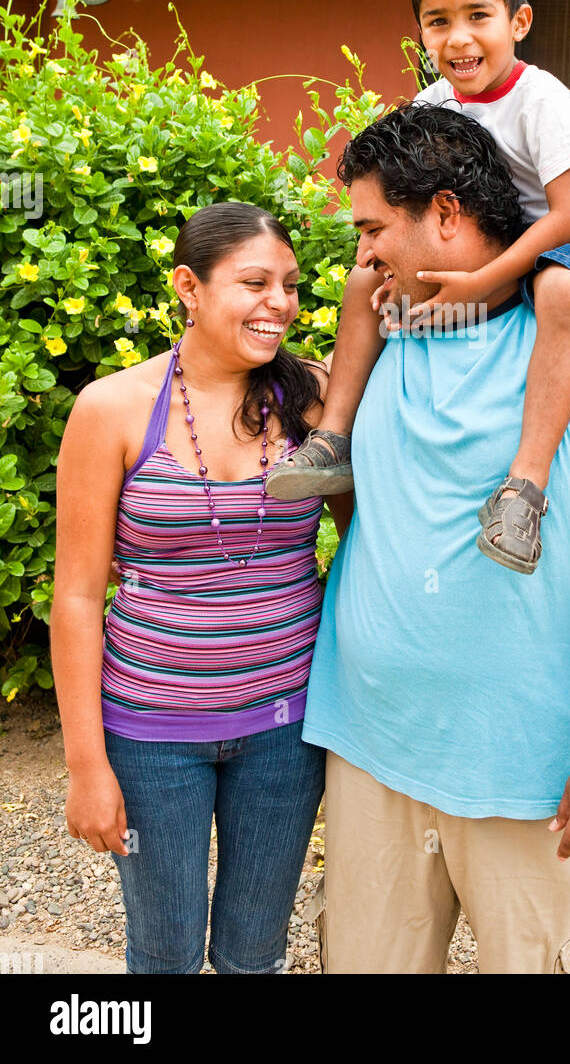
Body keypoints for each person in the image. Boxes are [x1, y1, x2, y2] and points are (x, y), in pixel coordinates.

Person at [299, 105, 570, 975]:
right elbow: (358, 502)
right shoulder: (387, 333)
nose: (362, 256)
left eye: (373, 229)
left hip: (534, 777)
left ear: (444, 212)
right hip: (372, 753)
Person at [51, 202, 351, 975]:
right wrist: (88, 767)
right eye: (254, 282)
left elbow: (365, 539)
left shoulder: (310, 398)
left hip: (286, 732)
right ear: (189, 286)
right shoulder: (111, 409)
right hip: (150, 736)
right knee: (164, 954)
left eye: (289, 284)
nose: (279, 302)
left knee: (256, 954)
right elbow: (79, 597)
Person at [267, 0, 570, 575]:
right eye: (438, 22)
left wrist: (484, 278)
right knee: (360, 282)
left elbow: (569, 215)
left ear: (519, 21)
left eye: (478, 17)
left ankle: (525, 489)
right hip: (504, 239)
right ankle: (334, 436)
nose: (458, 39)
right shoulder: (433, 105)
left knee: (560, 291)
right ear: (421, 35)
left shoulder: (543, 101)